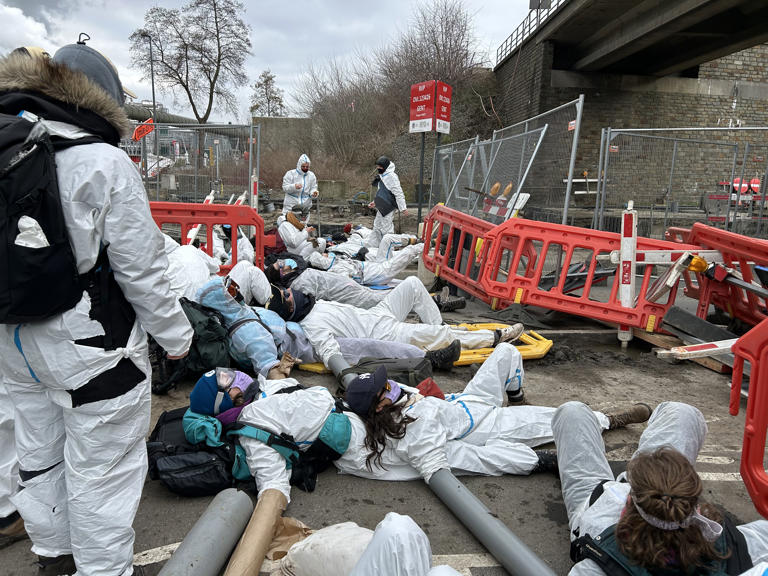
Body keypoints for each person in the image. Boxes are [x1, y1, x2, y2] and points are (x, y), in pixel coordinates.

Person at [0, 40, 193, 575]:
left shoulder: (6, 148)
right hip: (93, 352)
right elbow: (142, 270)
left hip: (16, 347)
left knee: (38, 461)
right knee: (101, 471)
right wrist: (177, 340)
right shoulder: (101, 163)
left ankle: (54, 561)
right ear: (100, 99)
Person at [336, 344, 651, 482]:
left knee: (507, 352)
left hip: (466, 402)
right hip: (487, 427)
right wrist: (539, 461)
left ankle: (518, 400)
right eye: (383, 387)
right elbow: (476, 460)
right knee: (563, 418)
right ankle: (610, 419)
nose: (390, 384)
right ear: (378, 407)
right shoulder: (410, 434)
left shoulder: (393, 400)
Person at [552, 401, 768, 575]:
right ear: (696, 508)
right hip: (651, 497)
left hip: (597, 507)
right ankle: (603, 428)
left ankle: (590, 437)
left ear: (627, 504)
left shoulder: (597, 567)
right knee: (682, 413)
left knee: (572, 413)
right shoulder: (736, 545)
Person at [275, 276, 525, 368]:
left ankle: (437, 325)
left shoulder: (316, 304)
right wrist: (346, 376)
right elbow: (329, 352)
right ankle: (496, 336)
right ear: (291, 307)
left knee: (413, 284)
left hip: (379, 314)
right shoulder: (312, 325)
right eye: (287, 295)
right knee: (442, 338)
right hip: (387, 334)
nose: (291, 292)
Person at [307, 243, 422, 286]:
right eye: (322, 256)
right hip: (376, 273)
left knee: (405, 284)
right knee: (408, 253)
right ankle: (427, 245)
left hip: (374, 270)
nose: (324, 255)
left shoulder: (336, 261)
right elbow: (346, 281)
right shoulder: (334, 271)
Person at [162, 234, 220, 300]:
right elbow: (216, 268)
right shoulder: (190, 249)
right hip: (207, 301)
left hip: (182, 306)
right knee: (213, 276)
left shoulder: (159, 266)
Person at [369, 156, 407, 249]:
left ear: (385, 166)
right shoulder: (382, 176)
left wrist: (403, 208)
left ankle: (388, 249)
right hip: (381, 205)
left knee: (386, 228)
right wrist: (375, 202)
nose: (378, 168)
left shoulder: (392, 177)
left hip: (389, 206)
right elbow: (382, 191)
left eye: (380, 167)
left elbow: (398, 193)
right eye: (377, 166)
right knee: (377, 226)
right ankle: (375, 247)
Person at [282, 153, 318, 221]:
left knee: (302, 227)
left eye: (307, 167)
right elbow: (285, 187)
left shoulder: (311, 175)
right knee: (288, 225)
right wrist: (294, 186)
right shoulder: (290, 174)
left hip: (305, 207)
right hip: (291, 206)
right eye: (303, 166)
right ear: (299, 165)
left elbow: (313, 187)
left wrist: (314, 193)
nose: (305, 168)